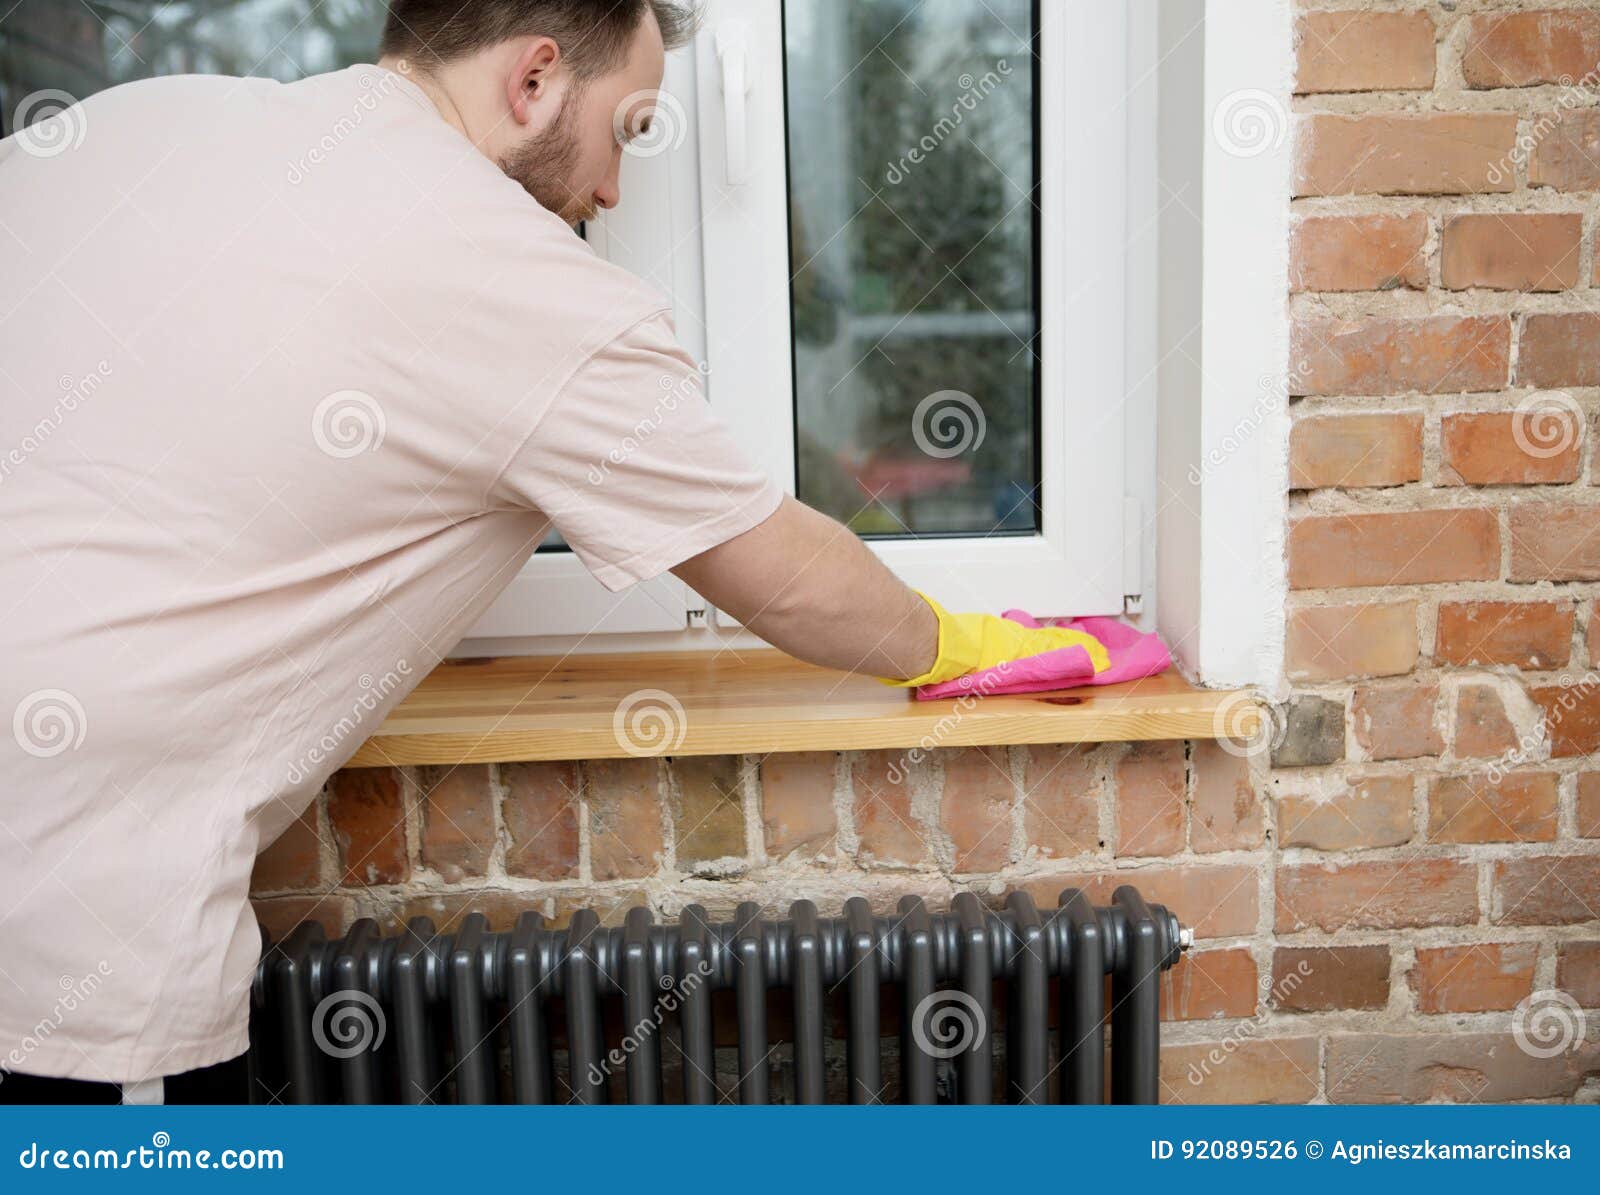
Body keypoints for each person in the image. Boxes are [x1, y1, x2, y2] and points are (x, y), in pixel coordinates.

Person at [0, 0, 1101, 1103]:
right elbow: (783, 576)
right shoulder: (515, 279)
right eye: (628, 131)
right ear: (533, 80)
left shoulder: (134, 124)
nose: (614, 192)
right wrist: (970, 643)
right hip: (66, 942)